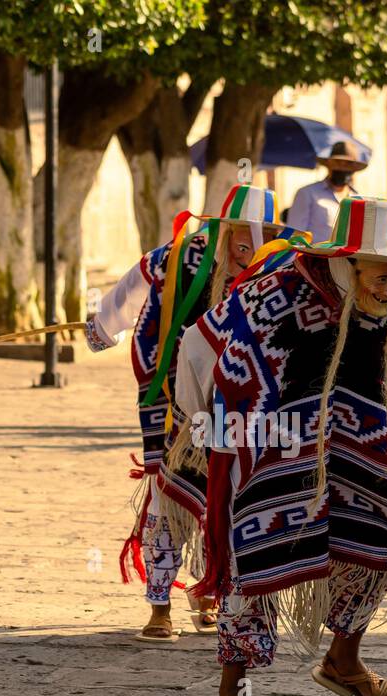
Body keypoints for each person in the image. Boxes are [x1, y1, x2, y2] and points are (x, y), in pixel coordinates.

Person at [175, 196, 387, 696]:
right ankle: (232, 693)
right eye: (382, 273)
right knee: (257, 561)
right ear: (349, 260)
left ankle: (343, 658)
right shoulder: (272, 292)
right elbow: (198, 344)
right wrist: (205, 424)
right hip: (270, 452)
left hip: (356, 449)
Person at [84, 184, 287, 641]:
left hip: (239, 404)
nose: (249, 246)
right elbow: (127, 295)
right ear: (224, 229)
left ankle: (209, 591)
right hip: (174, 403)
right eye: (243, 237)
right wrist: (100, 331)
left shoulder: (277, 270)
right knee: (168, 493)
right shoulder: (174, 259)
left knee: (229, 494)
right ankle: (159, 606)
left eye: (262, 235)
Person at [285, 139, 366, 243]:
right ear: (329, 164)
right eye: (337, 162)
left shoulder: (359, 200)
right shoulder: (307, 193)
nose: (342, 167)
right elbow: (294, 236)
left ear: (354, 168)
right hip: (313, 258)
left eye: (347, 163)